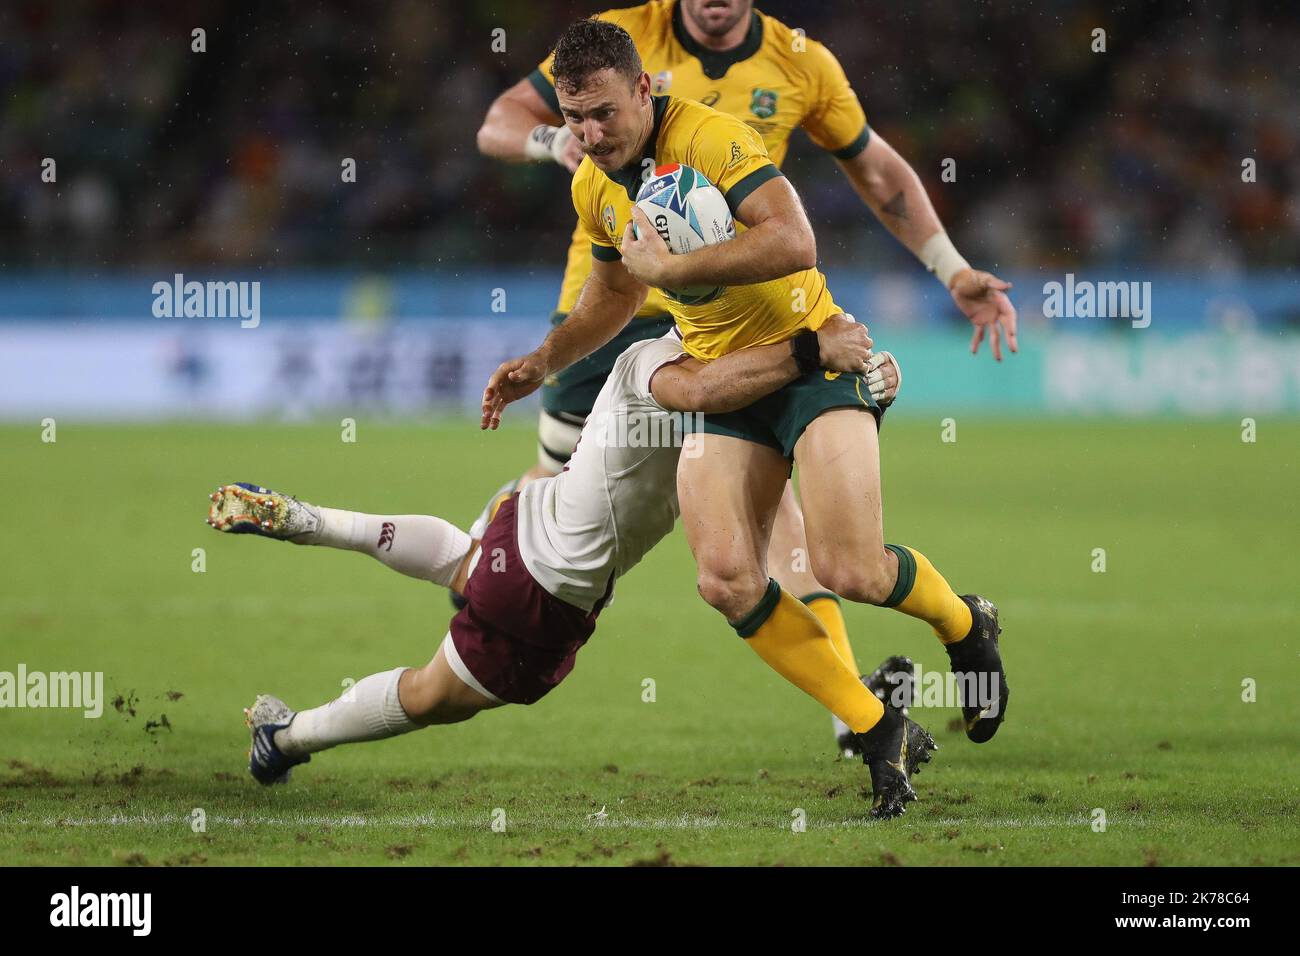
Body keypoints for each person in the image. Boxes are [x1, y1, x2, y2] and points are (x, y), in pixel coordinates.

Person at [483, 19, 1016, 816]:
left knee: (851, 570)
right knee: (726, 579)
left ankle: (965, 622)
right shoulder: (592, 182)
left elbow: (794, 240)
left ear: (645, 90)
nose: (590, 135)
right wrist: (543, 360)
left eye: (604, 114)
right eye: (574, 118)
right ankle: (876, 728)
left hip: (814, 357)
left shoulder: (713, 137)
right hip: (727, 381)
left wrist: (674, 267)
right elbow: (616, 293)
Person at [213, 319, 914, 815]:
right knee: (428, 696)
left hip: (530, 525)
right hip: (549, 593)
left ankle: (312, 523)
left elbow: (768, 408)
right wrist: (820, 361)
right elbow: (723, 397)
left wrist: (860, 389)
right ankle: (286, 738)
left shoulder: (664, 355)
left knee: (465, 561)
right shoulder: (678, 375)